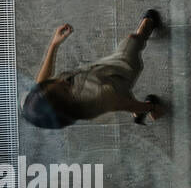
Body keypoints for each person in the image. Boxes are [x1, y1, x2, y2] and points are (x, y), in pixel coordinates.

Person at [22, 11, 166, 128]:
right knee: (132, 41)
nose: (63, 82)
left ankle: (138, 114)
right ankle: (148, 25)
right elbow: (123, 104)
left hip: (100, 73)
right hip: (120, 74)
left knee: (124, 96)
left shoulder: (43, 96)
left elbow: (42, 81)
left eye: (55, 82)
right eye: (66, 90)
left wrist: (54, 44)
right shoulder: (95, 100)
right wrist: (151, 107)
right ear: (67, 106)